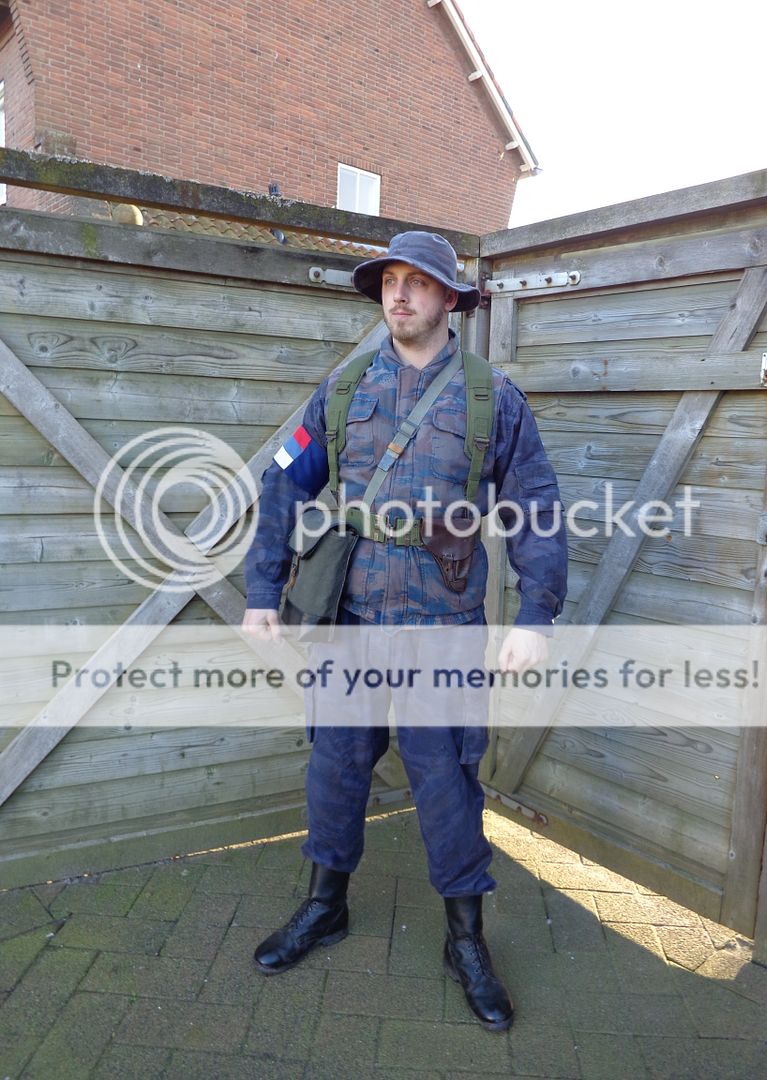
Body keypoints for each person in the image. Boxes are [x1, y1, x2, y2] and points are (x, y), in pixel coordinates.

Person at [242, 230, 567, 1032]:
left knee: (448, 788)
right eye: (390, 280)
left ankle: (466, 943)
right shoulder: (345, 387)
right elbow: (280, 485)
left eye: (419, 283)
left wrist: (536, 615)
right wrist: (260, 591)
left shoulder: (492, 398)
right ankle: (325, 907)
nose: (400, 294)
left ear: (450, 299)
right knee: (336, 773)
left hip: (444, 630)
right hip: (351, 624)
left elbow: (536, 511)